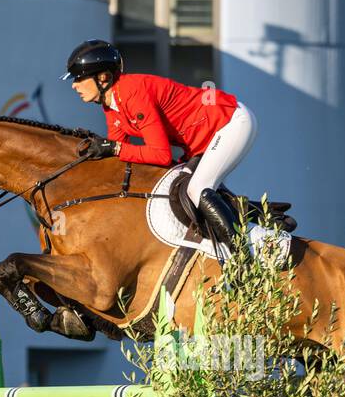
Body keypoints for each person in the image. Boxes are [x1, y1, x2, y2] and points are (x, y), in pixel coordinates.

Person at [63, 39, 256, 261]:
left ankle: (244, 261)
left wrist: (114, 148)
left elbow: (161, 155)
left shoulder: (132, 91)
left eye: (79, 78)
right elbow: (118, 159)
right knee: (178, 188)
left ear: (103, 77)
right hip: (201, 141)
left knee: (196, 189)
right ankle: (257, 213)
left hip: (229, 122)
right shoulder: (110, 105)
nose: (74, 85)